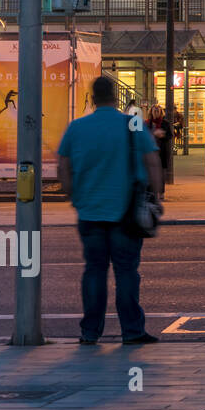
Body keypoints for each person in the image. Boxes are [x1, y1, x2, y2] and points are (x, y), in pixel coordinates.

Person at [57, 75, 162, 345]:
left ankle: (90, 332)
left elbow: (64, 169)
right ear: (115, 97)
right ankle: (132, 331)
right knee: (126, 271)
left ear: (92, 98)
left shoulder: (76, 128)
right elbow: (152, 162)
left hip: (89, 211)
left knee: (94, 270)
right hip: (125, 212)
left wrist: (74, 196)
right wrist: (157, 196)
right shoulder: (133, 124)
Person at [148, 104, 173, 175]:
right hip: (150, 152)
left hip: (161, 152)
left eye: (158, 110)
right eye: (154, 110)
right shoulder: (147, 123)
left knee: (161, 175)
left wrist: (162, 136)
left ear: (161, 112)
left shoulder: (165, 123)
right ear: (151, 112)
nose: (156, 112)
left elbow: (170, 135)